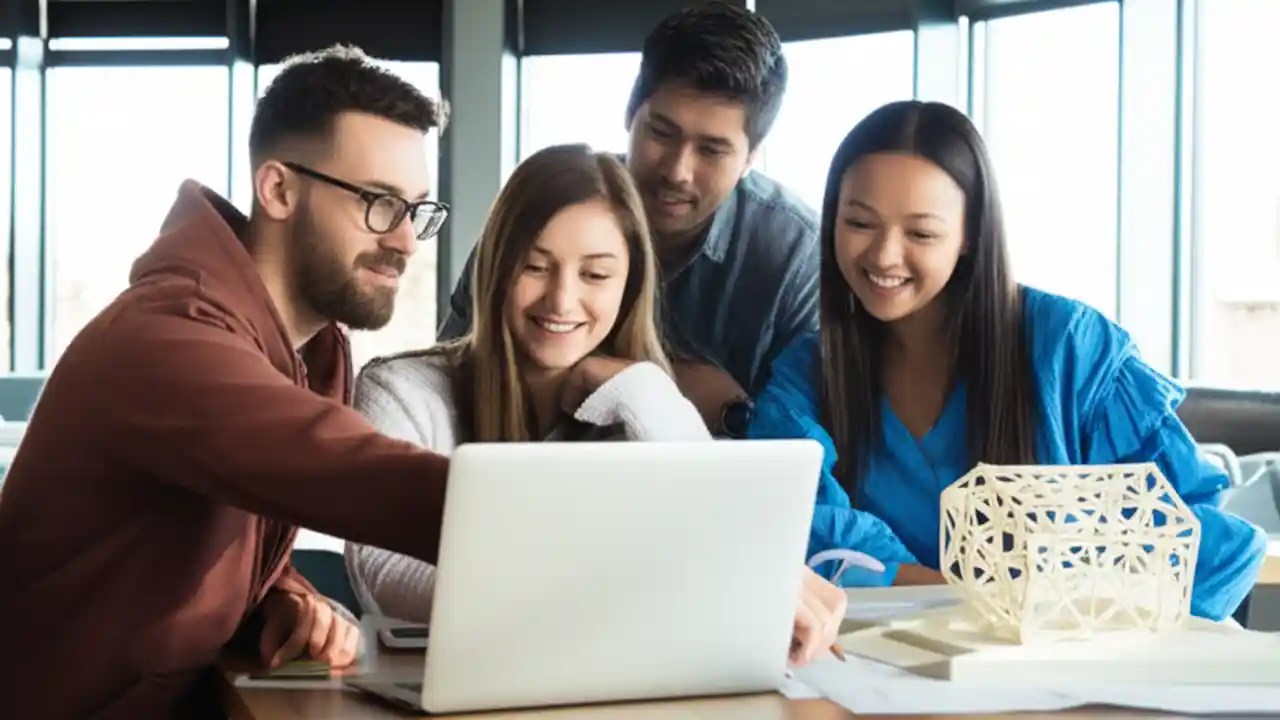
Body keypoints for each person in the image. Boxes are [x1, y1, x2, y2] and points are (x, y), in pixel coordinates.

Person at [0, 46, 459, 718]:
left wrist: (280, 593)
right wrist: (536, 516)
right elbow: (334, 463)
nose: (407, 243)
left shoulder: (306, 353)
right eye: (380, 204)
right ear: (278, 190)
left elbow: (191, 539)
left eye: (416, 209)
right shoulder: (162, 339)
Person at [748, 100, 1266, 621]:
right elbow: (790, 525)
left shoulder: (1070, 350)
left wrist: (1043, 610)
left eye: (921, 233)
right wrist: (972, 602)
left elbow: (1200, 538)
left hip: (1065, 677)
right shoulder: (807, 375)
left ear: (971, 234)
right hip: (870, 678)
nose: (884, 255)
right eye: (860, 223)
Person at [347, 143, 846, 667]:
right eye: (536, 267)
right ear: (494, 269)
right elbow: (390, 579)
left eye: (595, 275)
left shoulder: (642, 410)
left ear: (629, 285)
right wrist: (660, 583)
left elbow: (720, 528)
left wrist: (648, 392)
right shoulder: (401, 392)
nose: (561, 301)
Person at [438, 2, 819, 437]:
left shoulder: (794, 255)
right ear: (629, 113)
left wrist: (705, 402)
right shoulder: (543, 210)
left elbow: (813, 444)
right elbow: (452, 373)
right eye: (661, 132)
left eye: (711, 150)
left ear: (752, 156)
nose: (677, 170)